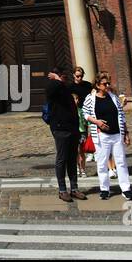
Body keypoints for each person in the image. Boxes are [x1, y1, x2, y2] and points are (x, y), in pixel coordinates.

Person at [82, 72, 132, 200]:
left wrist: (126, 132)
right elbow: (85, 114)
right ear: (98, 85)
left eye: (108, 83)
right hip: (102, 135)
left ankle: (126, 188)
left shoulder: (113, 97)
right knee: (102, 163)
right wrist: (97, 122)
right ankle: (104, 189)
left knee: (121, 162)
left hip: (117, 134)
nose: (107, 85)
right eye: (105, 84)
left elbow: (121, 115)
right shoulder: (91, 98)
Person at [44, 66, 87, 202]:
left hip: (72, 128)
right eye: (62, 76)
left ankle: (74, 188)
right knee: (62, 159)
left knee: (72, 159)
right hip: (60, 128)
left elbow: (74, 89)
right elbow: (56, 90)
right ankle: (62, 190)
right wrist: (57, 80)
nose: (64, 78)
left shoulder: (65, 87)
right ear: (57, 76)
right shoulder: (52, 87)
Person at [71, 67, 94, 175]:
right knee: (76, 144)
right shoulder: (70, 87)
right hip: (75, 112)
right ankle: (77, 167)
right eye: (77, 76)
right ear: (73, 75)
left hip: (86, 111)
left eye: (81, 76)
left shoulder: (87, 85)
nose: (79, 78)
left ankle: (91, 151)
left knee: (89, 133)